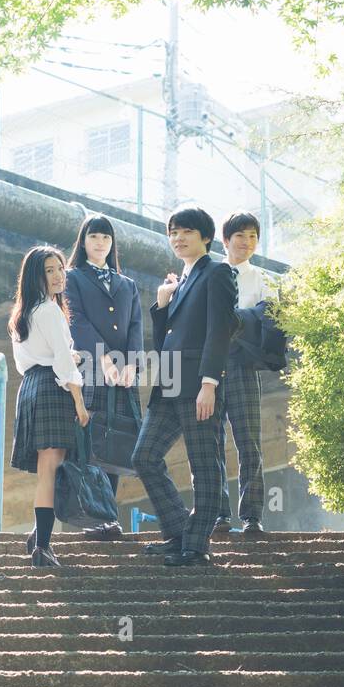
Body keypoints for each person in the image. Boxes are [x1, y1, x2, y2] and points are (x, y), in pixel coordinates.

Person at [131, 207, 240, 566]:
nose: (178, 238)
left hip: (199, 384)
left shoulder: (218, 272)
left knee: (204, 464)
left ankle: (196, 546)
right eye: (173, 232)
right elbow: (166, 342)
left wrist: (210, 383)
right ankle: (178, 533)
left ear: (205, 237)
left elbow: (219, 331)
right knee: (144, 456)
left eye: (186, 232)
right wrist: (162, 305)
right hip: (170, 382)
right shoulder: (181, 279)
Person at [62, 213, 144, 541]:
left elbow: (137, 326)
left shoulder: (128, 284)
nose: (101, 243)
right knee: (91, 442)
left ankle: (108, 517)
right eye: (94, 237)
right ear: (83, 242)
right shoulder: (72, 277)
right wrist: (105, 358)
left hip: (123, 375)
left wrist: (132, 364)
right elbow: (76, 320)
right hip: (90, 370)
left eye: (106, 238)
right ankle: (93, 515)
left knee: (117, 442)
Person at [8, 245, 90, 567]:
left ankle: (37, 536)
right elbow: (62, 365)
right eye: (50, 271)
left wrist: (69, 356)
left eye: (60, 269)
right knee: (50, 472)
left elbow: (34, 359)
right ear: (36, 277)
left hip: (30, 387)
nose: (59, 276)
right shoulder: (49, 310)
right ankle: (43, 547)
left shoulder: (22, 314)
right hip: (52, 389)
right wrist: (80, 403)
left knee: (48, 473)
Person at [213, 212, 273, 537]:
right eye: (240, 236)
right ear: (226, 240)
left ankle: (252, 516)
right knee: (212, 442)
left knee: (249, 441)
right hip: (209, 367)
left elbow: (270, 320)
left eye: (252, 236)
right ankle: (218, 514)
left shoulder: (261, 279)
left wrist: (237, 320)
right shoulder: (208, 273)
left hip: (244, 366)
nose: (247, 243)